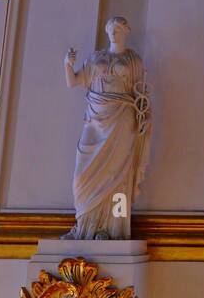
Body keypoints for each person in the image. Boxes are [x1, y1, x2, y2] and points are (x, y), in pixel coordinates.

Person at [61, 16, 153, 240]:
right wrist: (67, 64)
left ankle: (112, 229)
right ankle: (83, 225)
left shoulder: (134, 60)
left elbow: (141, 94)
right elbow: (73, 82)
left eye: (119, 30)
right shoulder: (96, 58)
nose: (114, 34)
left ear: (126, 31)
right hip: (95, 118)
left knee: (118, 175)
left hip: (122, 118)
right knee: (81, 177)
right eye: (111, 30)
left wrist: (144, 120)